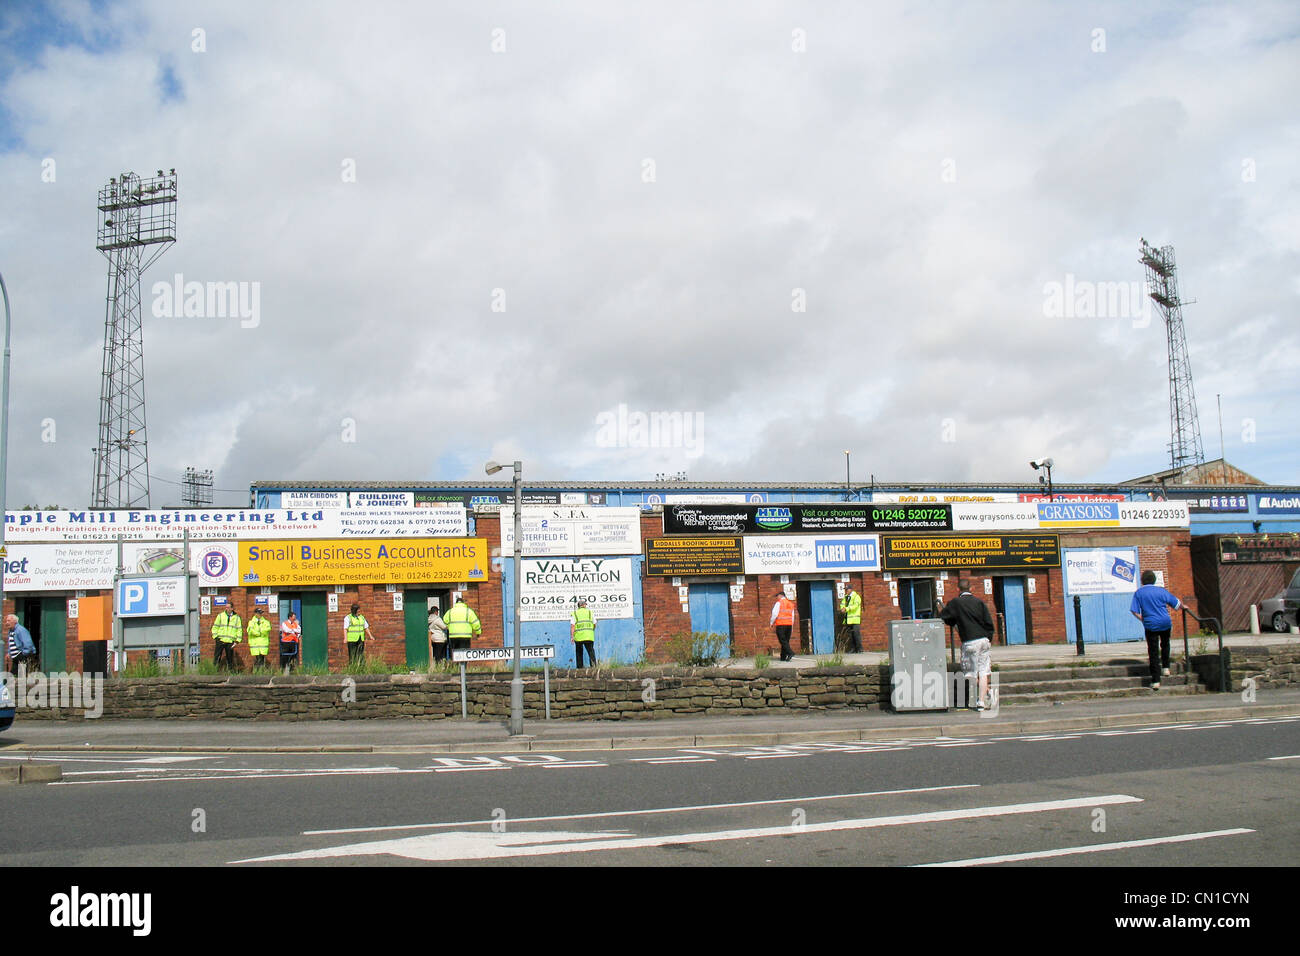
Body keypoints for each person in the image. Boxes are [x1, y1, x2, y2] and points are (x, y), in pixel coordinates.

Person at [938, 579, 995, 710]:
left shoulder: (956, 603)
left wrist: (953, 622)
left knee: (970, 673)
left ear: (958, 589)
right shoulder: (979, 602)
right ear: (971, 589)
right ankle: (982, 701)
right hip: (984, 640)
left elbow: (945, 616)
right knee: (983, 670)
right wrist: (988, 637)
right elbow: (988, 622)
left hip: (970, 641)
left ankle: (986, 691)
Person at [1130, 570, 1182, 690]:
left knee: (1153, 652)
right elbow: (1177, 604)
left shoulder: (1139, 593)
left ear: (1142, 581)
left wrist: (1142, 619)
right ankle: (1166, 667)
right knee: (1165, 644)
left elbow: (1134, 610)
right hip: (1165, 622)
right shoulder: (1161, 591)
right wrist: (1184, 607)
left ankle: (1156, 680)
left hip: (1151, 624)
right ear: (1154, 580)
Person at [211, 602, 242, 671]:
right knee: (217, 657)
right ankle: (214, 671)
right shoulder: (220, 616)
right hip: (221, 640)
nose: (226, 609)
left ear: (232, 608)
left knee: (230, 658)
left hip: (230, 641)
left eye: (228, 607)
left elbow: (239, 629)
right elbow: (215, 627)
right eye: (226, 607)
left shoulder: (237, 618)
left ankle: (231, 672)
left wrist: (237, 641)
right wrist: (216, 637)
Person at [769, 590, 797, 662]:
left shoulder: (779, 603)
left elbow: (774, 614)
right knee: (786, 641)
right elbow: (792, 616)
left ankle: (790, 653)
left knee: (782, 641)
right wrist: (792, 625)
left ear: (781, 595)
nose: (777, 598)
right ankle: (783, 657)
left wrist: (771, 622)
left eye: (777, 596)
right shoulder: (790, 604)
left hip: (781, 625)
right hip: (789, 625)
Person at [571, 598, 596, 668]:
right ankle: (594, 667)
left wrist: (572, 637)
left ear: (579, 606)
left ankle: (579, 668)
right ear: (584, 605)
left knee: (579, 653)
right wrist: (591, 630)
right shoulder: (590, 612)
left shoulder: (575, 613)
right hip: (589, 635)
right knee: (591, 651)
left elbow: (572, 626)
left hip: (578, 637)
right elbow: (594, 624)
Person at [839, 585, 863, 654]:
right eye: (845, 590)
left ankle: (859, 649)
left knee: (856, 634)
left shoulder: (856, 597)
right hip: (848, 619)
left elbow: (855, 606)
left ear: (851, 589)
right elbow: (842, 604)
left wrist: (846, 609)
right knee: (850, 635)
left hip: (855, 619)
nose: (846, 591)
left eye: (847, 589)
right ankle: (853, 649)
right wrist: (842, 608)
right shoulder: (846, 597)